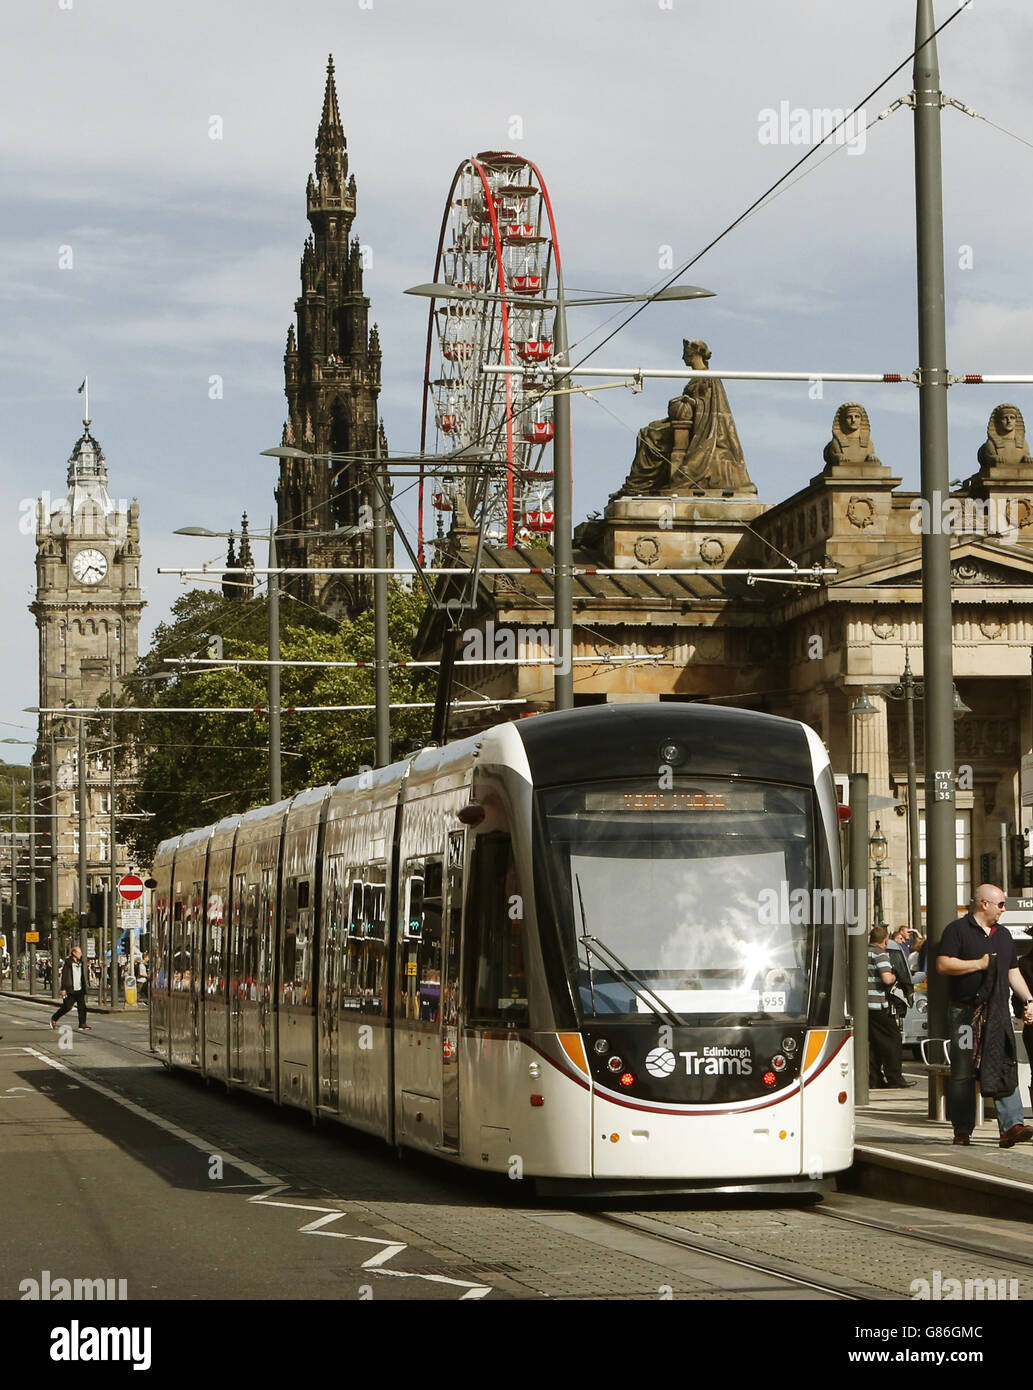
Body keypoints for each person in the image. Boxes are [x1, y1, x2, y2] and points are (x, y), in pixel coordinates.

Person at [937, 885, 1033, 1146]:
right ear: (984, 904)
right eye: (1001, 904)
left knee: (1003, 1064)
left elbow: (1013, 971)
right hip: (965, 1013)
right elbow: (943, 963)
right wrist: (978, 964)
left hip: (996, 1013)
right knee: (963, 1070)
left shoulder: (1003, 935)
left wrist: (1029, 999)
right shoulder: (957, 930)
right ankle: (963, 1129)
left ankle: (1011, 1126)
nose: (1004, 909)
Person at [867, 926, 913, 1089]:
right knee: (893, 1039)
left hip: (865, 1006)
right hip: (878, 1004)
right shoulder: (880, 954)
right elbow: (887, 979)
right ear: (885, 941)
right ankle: (895, 1077)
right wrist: (895, 975)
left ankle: (874, 1078)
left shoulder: (863, 952)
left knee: (874, 1042)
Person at [50, 945, 91, 1031]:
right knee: (67, 1007)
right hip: (71, 989)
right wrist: (63, 988)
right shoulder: (68, 963)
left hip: (79, 988)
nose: (81, 954)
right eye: (79, 952)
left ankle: (82, 1024)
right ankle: (54, 1018)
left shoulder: (81, 963)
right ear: (74, 953)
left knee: (82, 1007)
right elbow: (65, 976)